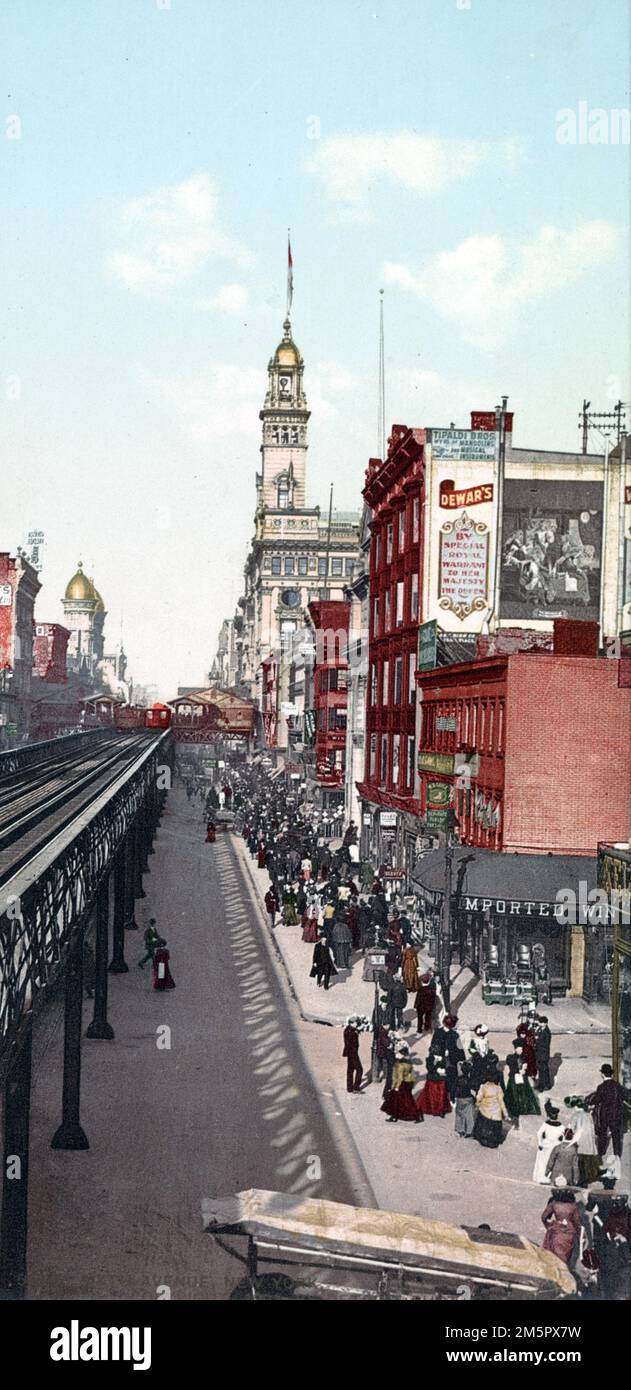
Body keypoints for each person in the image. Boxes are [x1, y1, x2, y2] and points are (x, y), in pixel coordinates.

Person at [588, 1064, 625, 1159]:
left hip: (604, 1113)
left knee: (602, 1133)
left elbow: (597, 1100)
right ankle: (617, 1154)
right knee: (616, 1134)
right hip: (616, 1112)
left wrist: (590, 1101)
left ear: (602, 1074)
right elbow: (622, 1097)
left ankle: (601, 1152)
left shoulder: (601, 1087)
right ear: (611, 1074)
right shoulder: (617, 1086)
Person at [564, 1095, 600, 1185]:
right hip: (588, 1141)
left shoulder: (575, 1116)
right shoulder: (588, 1115)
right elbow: (592, 1128)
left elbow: (571, 1129)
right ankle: (586, 1179)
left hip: (579, 1141)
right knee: (587, 1161)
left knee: (579, 1162)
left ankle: (580, 1180)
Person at [381, 1042, 421, 1123]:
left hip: (402, 1084)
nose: (396, 1054)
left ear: (401, 1054)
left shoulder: (400, 1065)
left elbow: (399, 1078)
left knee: (404, 1100)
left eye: (397, 1053)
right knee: (401, 1100)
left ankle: (414, 1116)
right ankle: (395, 1116)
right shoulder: (407, 1061)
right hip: (409, 1082)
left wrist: (395, 1087)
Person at [541, 1189, 581, 1268]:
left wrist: (549, 1226)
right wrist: (580, 1236)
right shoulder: (573, 1206)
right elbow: (577, 1223)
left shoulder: (554, 1204)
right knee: (565, 1257)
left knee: (553, 1256)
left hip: (557, 1231)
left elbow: (544, 1217)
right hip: (569, 1233)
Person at [503, 1041, 541, 1120]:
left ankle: (523, 1109)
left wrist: (525, 1071)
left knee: (523, 1093)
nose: (521, 1050)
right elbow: (511, 1066)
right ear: (515, 1049)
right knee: (514, 1094)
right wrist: (518, 1070)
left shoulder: (524, 1057)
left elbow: (528, 1067)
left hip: (522, 1077)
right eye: (519, 1049)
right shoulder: (511, 1057)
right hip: (514, 1078)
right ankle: (515, 1110)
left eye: (522, 1049)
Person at [430, 1015, 464, 1101]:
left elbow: (433, 1046)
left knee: (443, 1079)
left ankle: (444, 1097)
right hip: (448, 1060)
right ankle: (450, 1097)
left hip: (442, 1060)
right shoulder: (454, 1035)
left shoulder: (438, 1032)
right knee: (450, 1079)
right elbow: (459, 1050)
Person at [473, 1071, 509, 1148]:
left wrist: (477, 1104)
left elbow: (478, 1098)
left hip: (485, 1110)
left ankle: (482, 1137)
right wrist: (505, 1114)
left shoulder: (483, 1086)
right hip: (495, 1113)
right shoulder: (498, 1089)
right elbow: (502, 1102)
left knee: (482, 1120)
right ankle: (493, 1140)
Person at [533, 1101, 564, 1183]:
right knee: (553, 1163)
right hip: (556, 1145)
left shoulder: (546, 1124)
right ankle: (551, 1178)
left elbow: (539, 1133)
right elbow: (564, 1135)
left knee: (543, 1162)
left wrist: (540, 1143)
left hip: (546, 1145)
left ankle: (541, 1177)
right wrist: (560, 1140)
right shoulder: (561, 1126)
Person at [416, 1052, 451, 1118]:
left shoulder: (442, 1058)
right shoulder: (429, 1059)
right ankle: (434, 1110)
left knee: (441, 1096)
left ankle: (440, 1110)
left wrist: (443, 1066)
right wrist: (436, 1065)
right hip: (433, 1079)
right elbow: (430, 1068)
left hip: (440, 1079)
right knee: (431, 1095)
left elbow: (445, 1065)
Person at [453, 1063, 477, 1138]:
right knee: (469, 1115)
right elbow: (473, 1089)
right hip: (468, 1099)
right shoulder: (470, 1080)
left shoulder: (458, 1079)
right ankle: (469, 1131)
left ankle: (460, 1130)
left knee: (459, 1114)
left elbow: (453, 1089)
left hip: (459, 1098)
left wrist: (452, 1097)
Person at [343, 1016, 363, 1093]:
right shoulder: (350, 1031)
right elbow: (351, 1042)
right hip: (353, 1053)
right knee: (359, 1069)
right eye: (355, 1023)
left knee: (350, 1070)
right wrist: (356, 1033)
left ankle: (350, 1088)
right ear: (352, 1023)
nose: (357, 1024)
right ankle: (356, 1087)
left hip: (350, 1053)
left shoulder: (349, 1029)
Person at [535, 1015, 553, 1092]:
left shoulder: (547, 1032)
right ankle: (543, 1084)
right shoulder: (540, 1029)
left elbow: (545, 1044)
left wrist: (537, 1040)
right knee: (541, 1070)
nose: (539, 1024)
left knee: (543, 1071)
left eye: (541, 1023)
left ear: (545, 1023)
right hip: (539, 1054)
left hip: (543, 1054)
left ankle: (543, 1085)